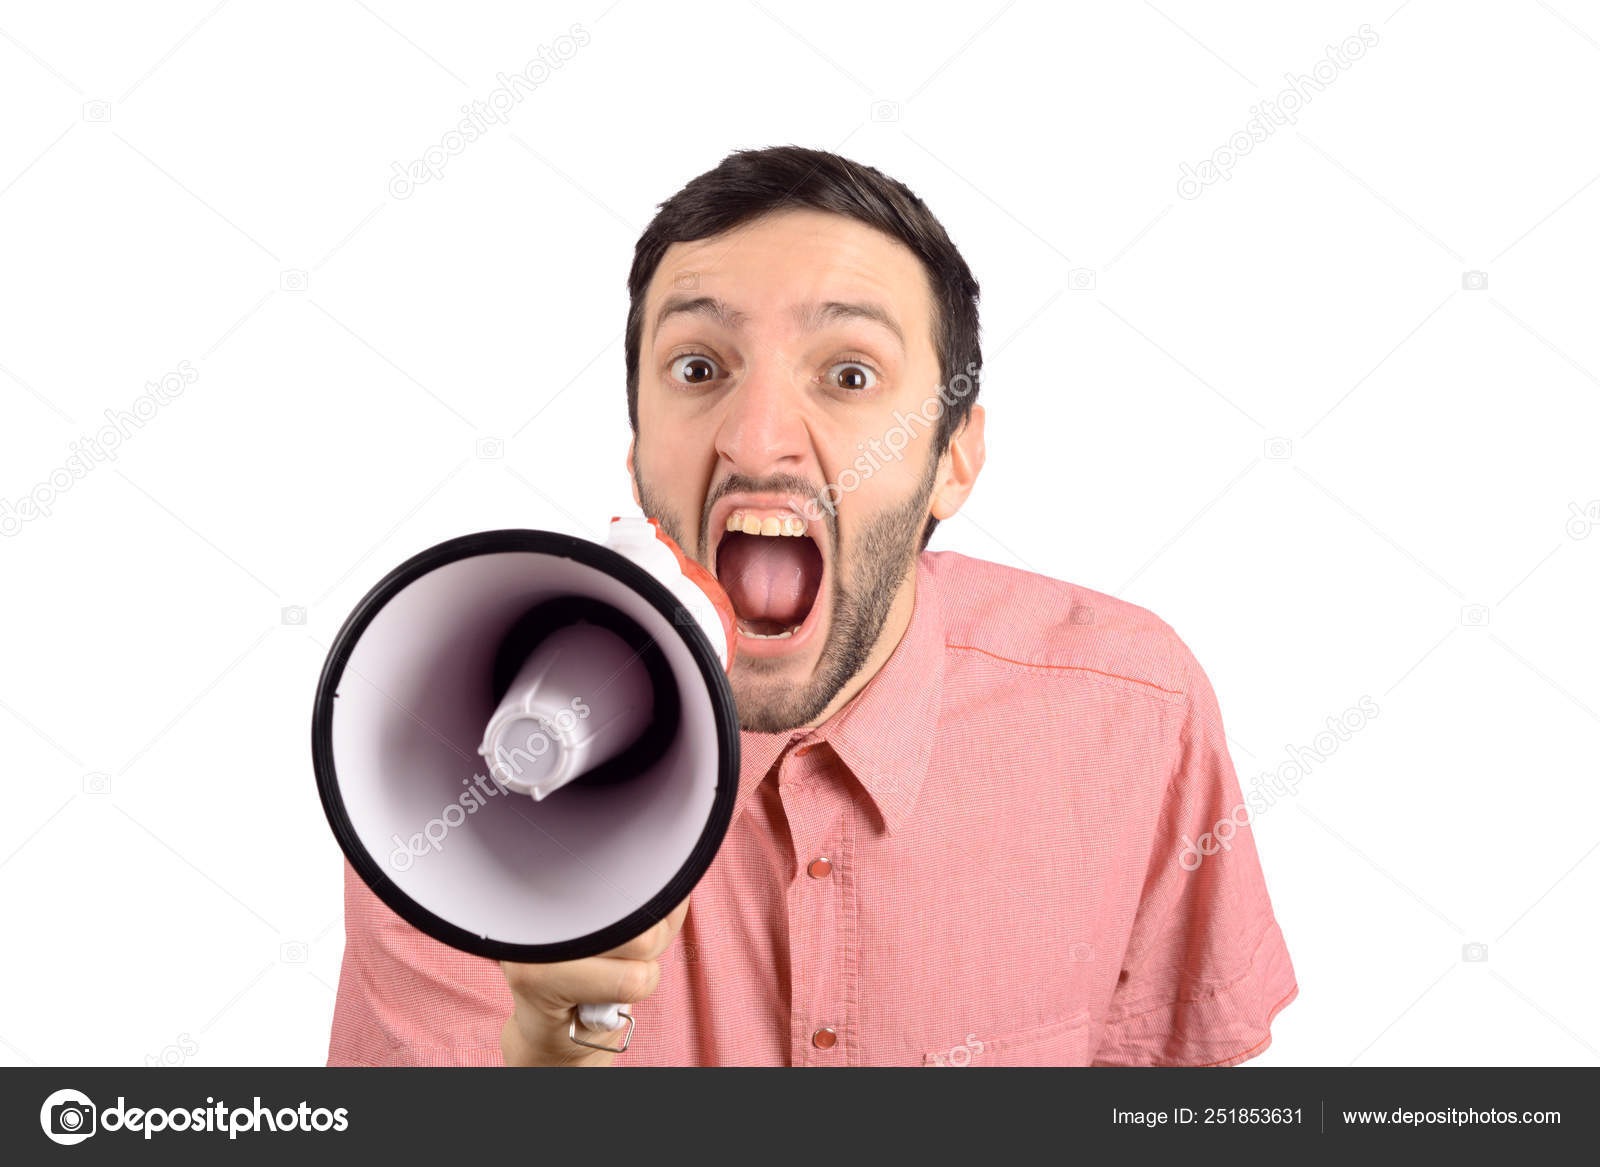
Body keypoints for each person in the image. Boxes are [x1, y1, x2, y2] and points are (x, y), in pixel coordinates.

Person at [328, 145, 1297, 1067]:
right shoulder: (444, 800)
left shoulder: (1133, 714)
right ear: (635, 455)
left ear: (951, 459)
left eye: (848, 374)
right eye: (698, 369)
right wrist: (540, 1063)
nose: (756, 441)